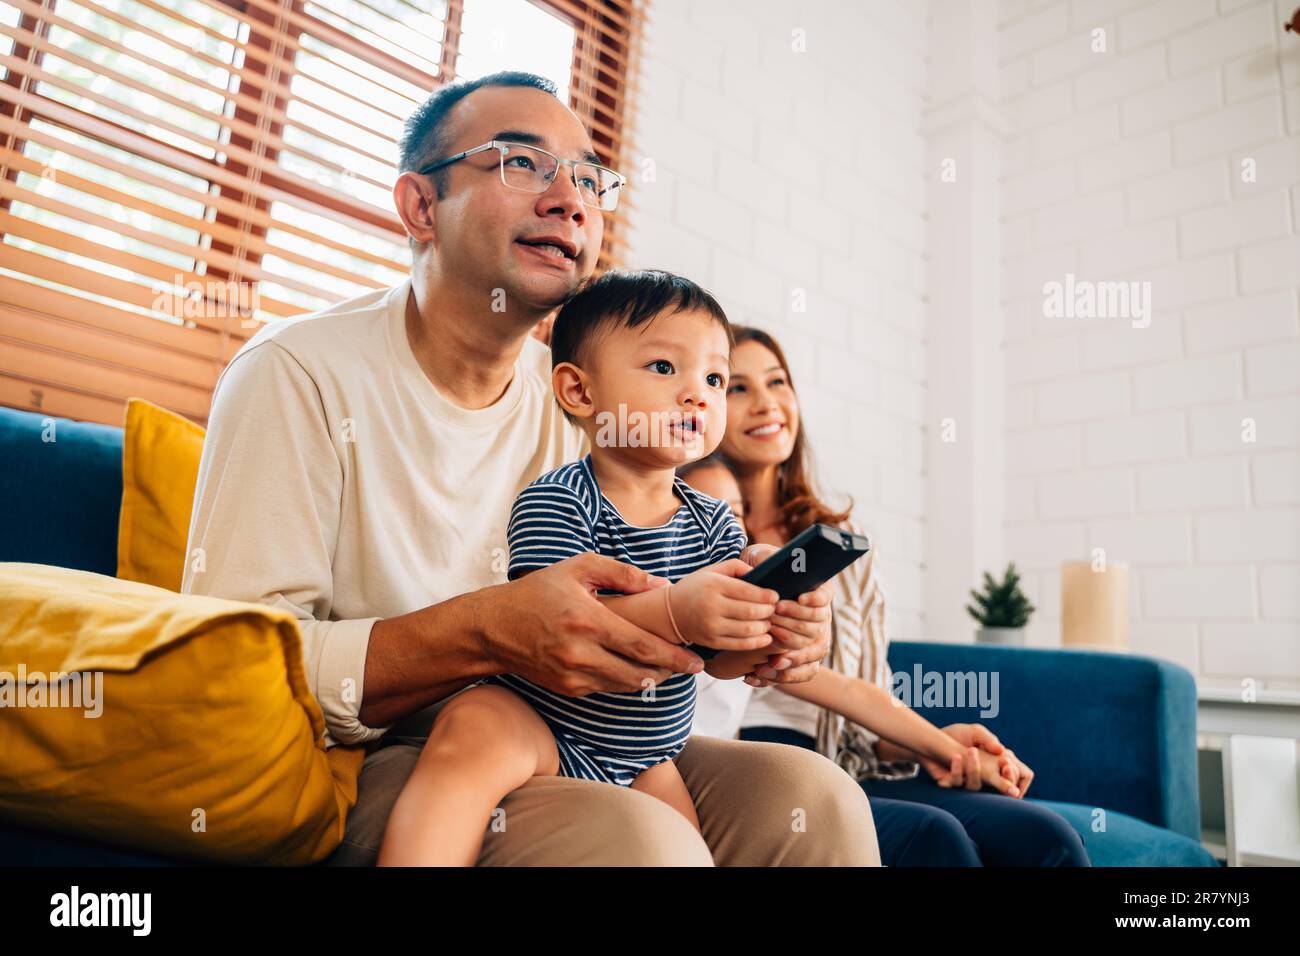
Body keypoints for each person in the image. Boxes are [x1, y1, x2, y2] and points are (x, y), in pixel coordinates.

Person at [182, 71, 877, 866]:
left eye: (588, 177)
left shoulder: (585, 410)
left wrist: (760, 625)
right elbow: (236, 664)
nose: (570, 199)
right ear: (419, 207)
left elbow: (651, 609)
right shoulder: (295, 370)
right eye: (521, 162)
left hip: (584, 730)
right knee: (642, 844)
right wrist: (486, 632)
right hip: (384, 755)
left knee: (819, 799)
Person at [378, 270, 870, 865]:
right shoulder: (558, 497)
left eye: (714, 378)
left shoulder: (716, 523)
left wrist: (771, 637)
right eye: (664, 368)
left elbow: (716, 660)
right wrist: (677, 609)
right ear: (580, 392)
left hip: (645, 751)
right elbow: (559, 621)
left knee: (685, 851)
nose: (697, 393)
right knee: (469, 741)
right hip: (536, 716)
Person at [682, 326, 1091, 867]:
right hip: (760, 765)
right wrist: (937, 745)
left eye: (777, 382)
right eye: (737, 387)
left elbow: (864, 706)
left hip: (844, 761)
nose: (766, 403)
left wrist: (940, 743)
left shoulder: (845, 556)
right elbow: (820, 684)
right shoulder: (689, 535)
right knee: (936, 838)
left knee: (1046, 837)